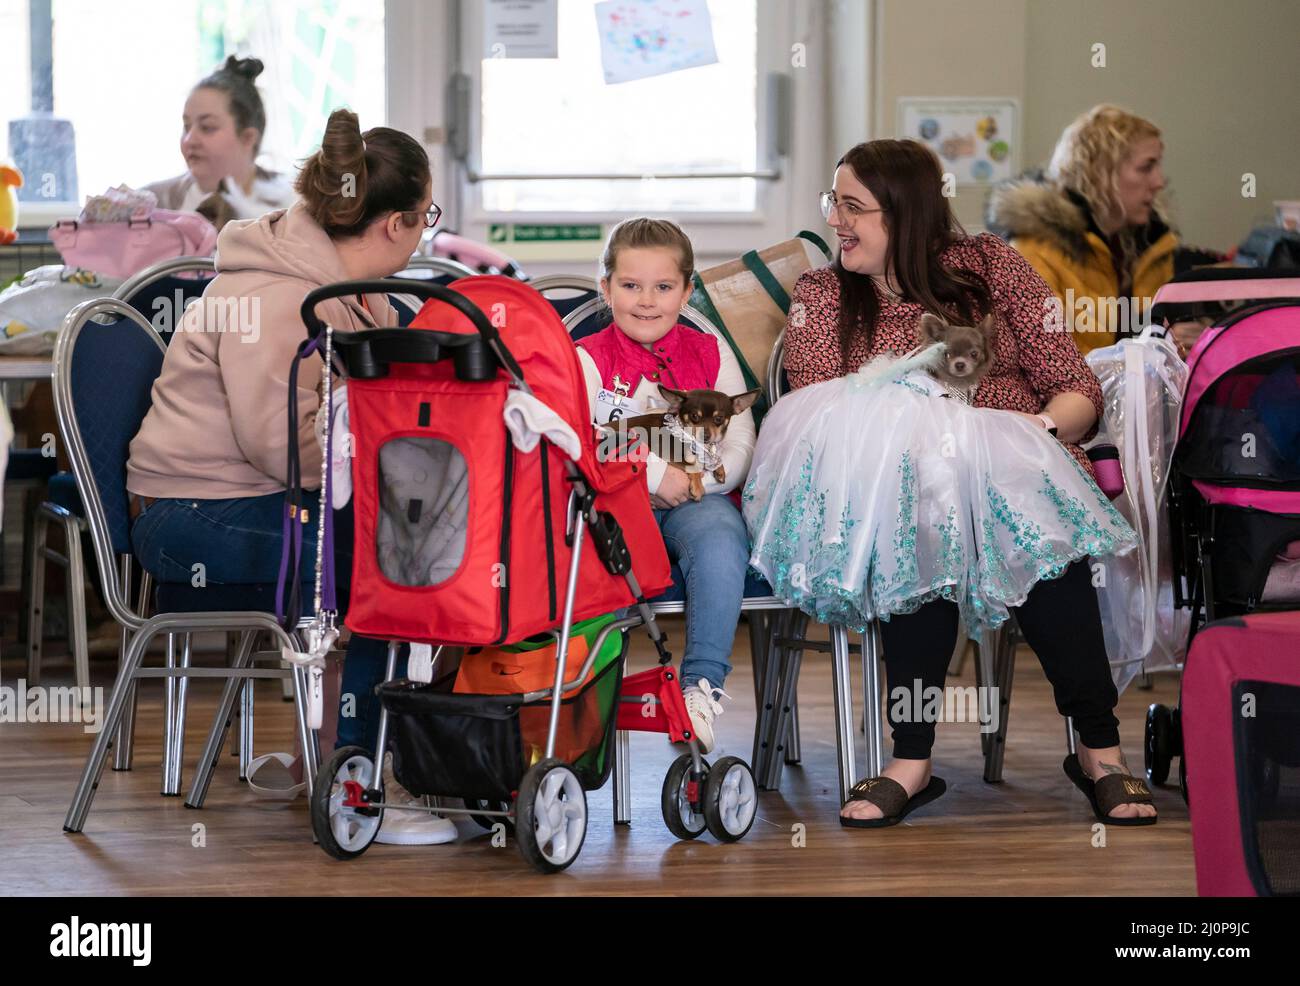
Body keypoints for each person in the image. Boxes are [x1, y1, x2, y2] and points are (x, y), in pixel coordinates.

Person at [753, 139, 1158, 828]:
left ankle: (1101, 754)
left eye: (853, 206)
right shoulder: (823, 293)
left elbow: (1075, 388)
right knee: (919, 521)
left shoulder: (993, 267)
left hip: (1014, 469)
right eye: (834, 203)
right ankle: (911, 763)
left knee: (1038, 538)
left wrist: (1031, 434)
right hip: (892, 490)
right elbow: (820, 409)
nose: (836, 220)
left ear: (906, 214)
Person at [126, 108, 453, 845]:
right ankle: (364, 779)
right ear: (396, 222)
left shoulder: (352, 286)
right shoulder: (278, 295)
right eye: (426, 214)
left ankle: (342, 762)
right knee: (394, 567)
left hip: (252, 499)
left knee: (414, 549)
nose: (427, 229)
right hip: (189, 517)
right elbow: (282, 445)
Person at [575, 218, 757, 753]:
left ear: (688, 290)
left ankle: (701, 689)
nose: (647, 301)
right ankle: (590, 698)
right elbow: (579, 436)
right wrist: (655, 475)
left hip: (698, 499)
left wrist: (713, 481)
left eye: (663, 287)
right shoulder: (588, 358)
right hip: (615, 501)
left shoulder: (709, 349)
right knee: (593, 557)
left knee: (723, 539)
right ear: (605, 288)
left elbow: (740, 429)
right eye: (630, 286)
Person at [986, 105, 1198, 356]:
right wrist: (1151, 339)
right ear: (1099, 173)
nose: (1159, 182)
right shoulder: (1033, 249)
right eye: (1146, 167)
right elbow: (1048, 361)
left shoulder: (1152, 243)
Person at [143, 55, 295, 231]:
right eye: (186, 126)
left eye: (207, 127)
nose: (189, 139)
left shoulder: (293, 207)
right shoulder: (152, 204)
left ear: (248, 138)